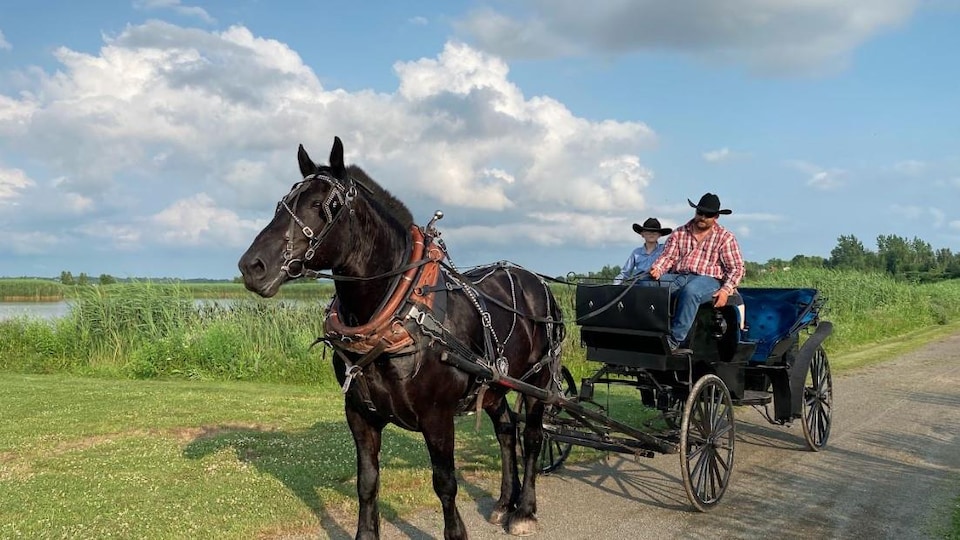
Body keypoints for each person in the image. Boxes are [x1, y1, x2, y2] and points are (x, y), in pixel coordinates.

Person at [648, 193, 745, 354]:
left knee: (691, 292)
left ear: (716, 217)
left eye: (708, 215)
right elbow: (668, 257)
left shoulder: (725, 238)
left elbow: (736, 268)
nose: (702, 217)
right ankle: (648, 331)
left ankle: (674, 340)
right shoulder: (680, 233)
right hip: (679, 275)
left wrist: (725, 290)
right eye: (700, 212)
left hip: (710, 279)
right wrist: (657, 269)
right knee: (646, 284)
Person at [613, 218, 672, 284]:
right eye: (648, 232)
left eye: (655, 232)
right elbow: (625, 273)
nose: (651, 234)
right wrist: (615, 286)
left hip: (658, 283)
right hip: (639, 283)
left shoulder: (665, 250)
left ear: (659, 235)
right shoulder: (636, 253)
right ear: (642, 234)